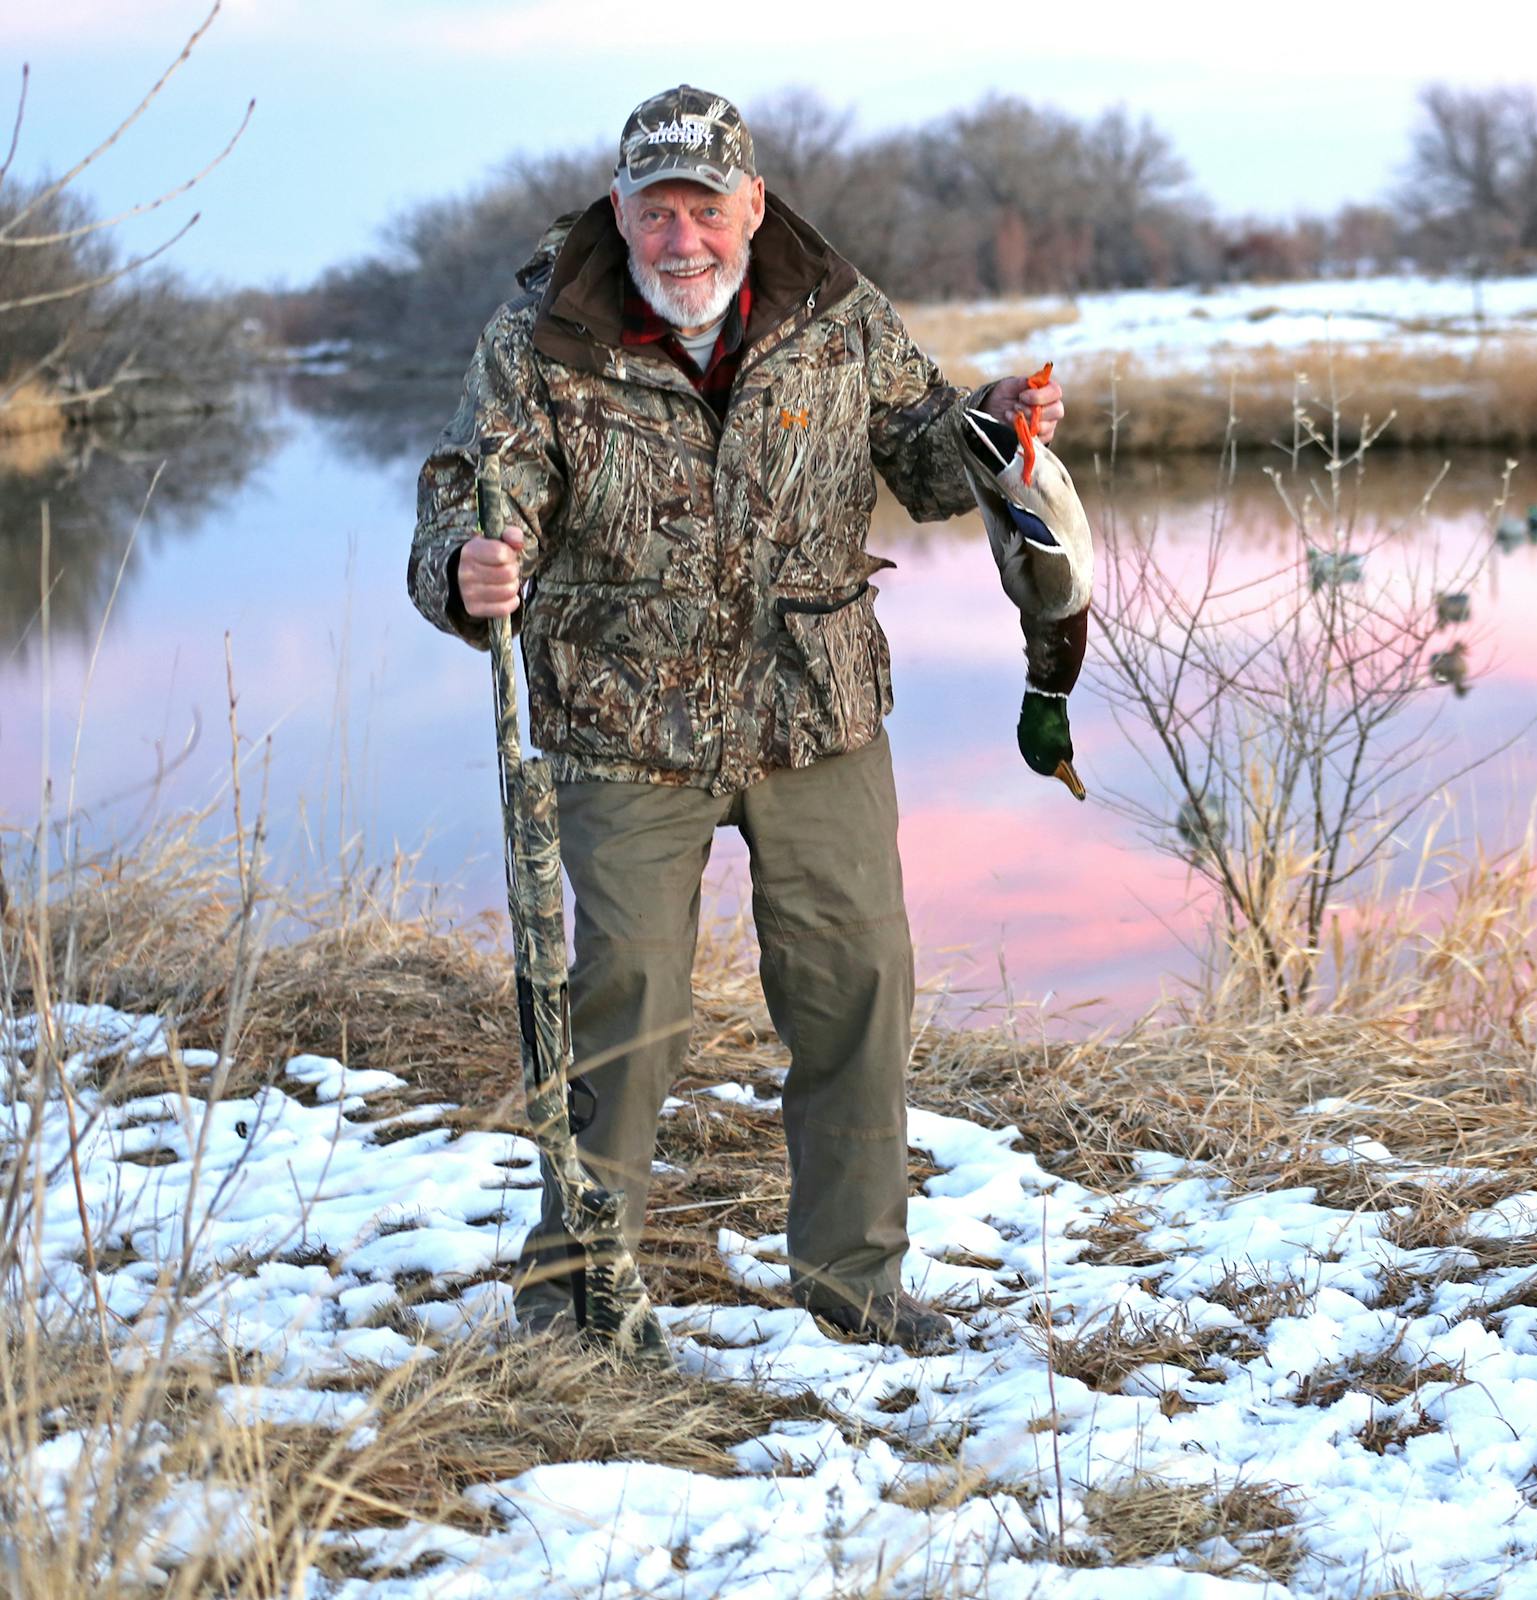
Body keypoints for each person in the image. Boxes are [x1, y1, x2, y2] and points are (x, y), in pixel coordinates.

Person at [406, 85, 1064, 1354]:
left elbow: (924, 462)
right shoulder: (543, 332)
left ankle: (855, 1283)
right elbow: (471, 492)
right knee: (621, 999)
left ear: (752, 206)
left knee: (857, 989)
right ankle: (578, 1292)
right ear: (622, 209)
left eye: (707, 208)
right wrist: (466, 567)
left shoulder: (838, 311)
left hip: (817, 711)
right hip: (620, 720)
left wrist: (992, 425)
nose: (682, 239)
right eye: (658, 211)